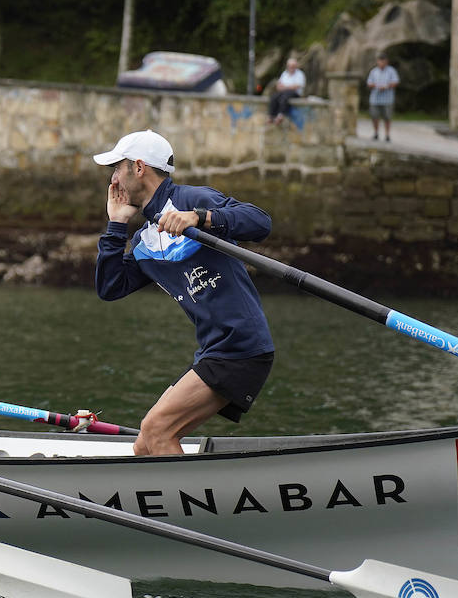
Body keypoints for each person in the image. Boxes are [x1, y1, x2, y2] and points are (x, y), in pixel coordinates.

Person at [93, 130, 274, 456]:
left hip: (241, 346)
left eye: (117, 168)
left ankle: (194, 505)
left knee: (157, 429)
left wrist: (201, 218)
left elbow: (260, 222)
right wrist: (117, 225)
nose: (113, 178)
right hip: (213, 350)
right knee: (144, 445)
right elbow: (109, 288)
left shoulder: (192, 200)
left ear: (138, 167)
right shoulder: (144, 242)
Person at [366, 52, 399, 141]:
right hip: (375, 99)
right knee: (374, 117)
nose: (381, 63)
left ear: (386, 61)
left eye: (383, 61)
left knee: (387, 117)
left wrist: (386, 86)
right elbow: (369, 83)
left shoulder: (391, 71)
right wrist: (376, 86)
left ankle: (387, 135)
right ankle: (376, 133)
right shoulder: (373, 71)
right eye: (380, 61)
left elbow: (395, 82)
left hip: (387, 99)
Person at [267, 57, 305, 126]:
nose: (291, 68)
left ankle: (280, 115)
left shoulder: (300, 74)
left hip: (295, 93)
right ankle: (271, 116)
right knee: (274, 97)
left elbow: (297, 86)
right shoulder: (284, 73)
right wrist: (286, 87)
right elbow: (278, 85)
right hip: (284, 92)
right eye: (290, 66)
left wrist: (285, 87)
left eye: (293, 66)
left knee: (285, 97)